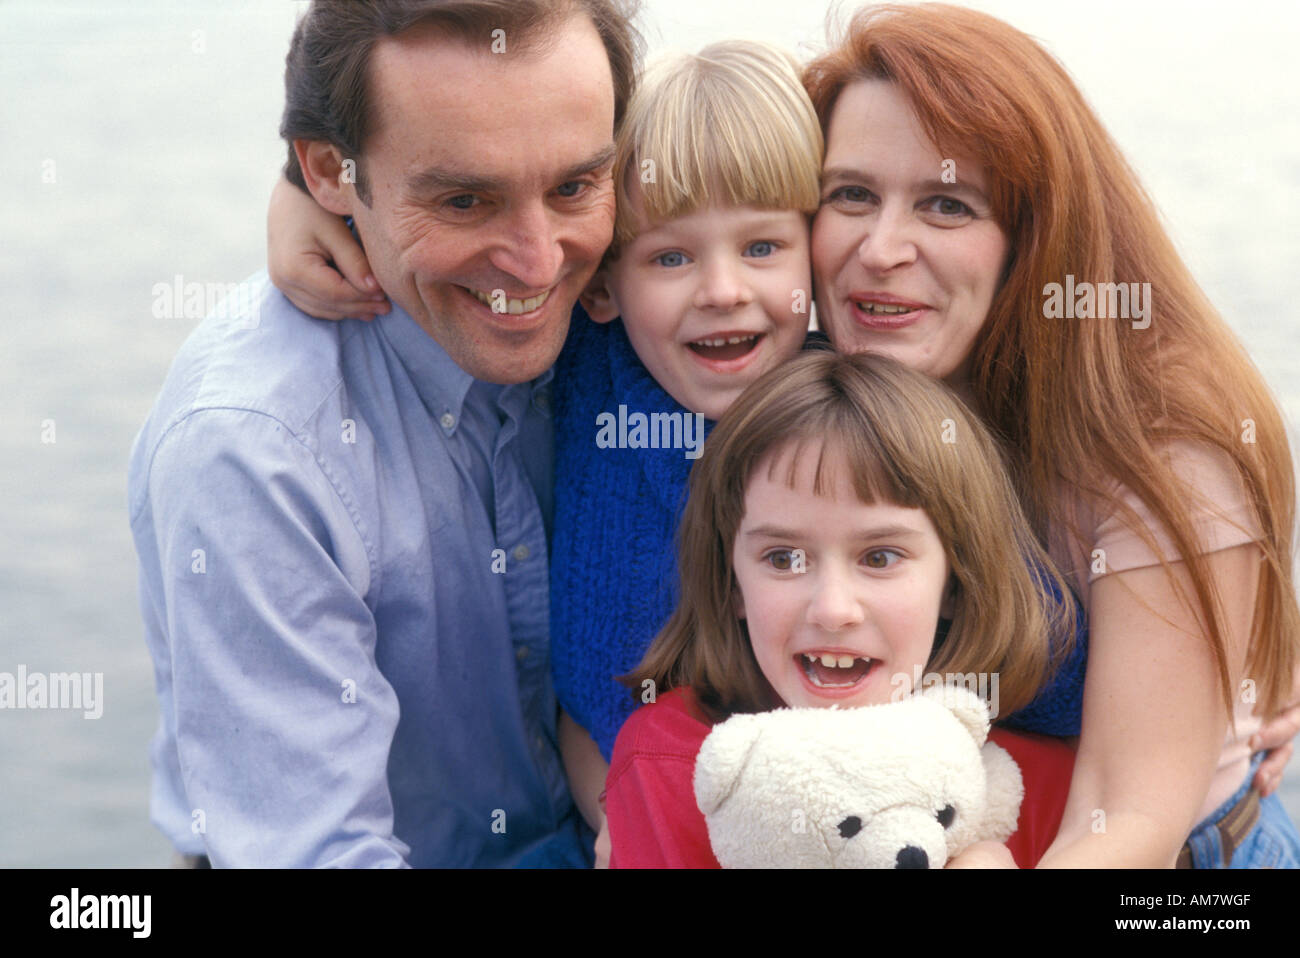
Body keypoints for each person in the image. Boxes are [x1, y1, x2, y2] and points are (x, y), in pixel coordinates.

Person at [265, 35, 1087, 866]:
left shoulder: (856, 412)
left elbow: (1033, 667)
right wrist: (309, 197)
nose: (723, 290)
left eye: (764, 248)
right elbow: (466, 231)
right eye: (670, 257)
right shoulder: (592, 361)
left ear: (813, 250)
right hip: (624, 817)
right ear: (601, 286)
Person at [127, 0, 641, 867]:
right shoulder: (251, 451)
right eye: (466, 200)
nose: (540, 261)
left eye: (573, 187)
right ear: (331, 171)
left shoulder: (659, 295)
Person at [803, 3, 1300, 867]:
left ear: (1034, 236)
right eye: (850, 194)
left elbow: (1129, 819)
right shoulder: (809, 388)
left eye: (947, 205)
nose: (882, 247)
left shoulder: (1158, 444)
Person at [605, 350, 1078, 867]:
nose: (832, 610)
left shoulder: (1043, 788)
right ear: (731, 583)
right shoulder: (675, 767)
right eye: (783, 559)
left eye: (879, 557)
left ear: (956, 584)